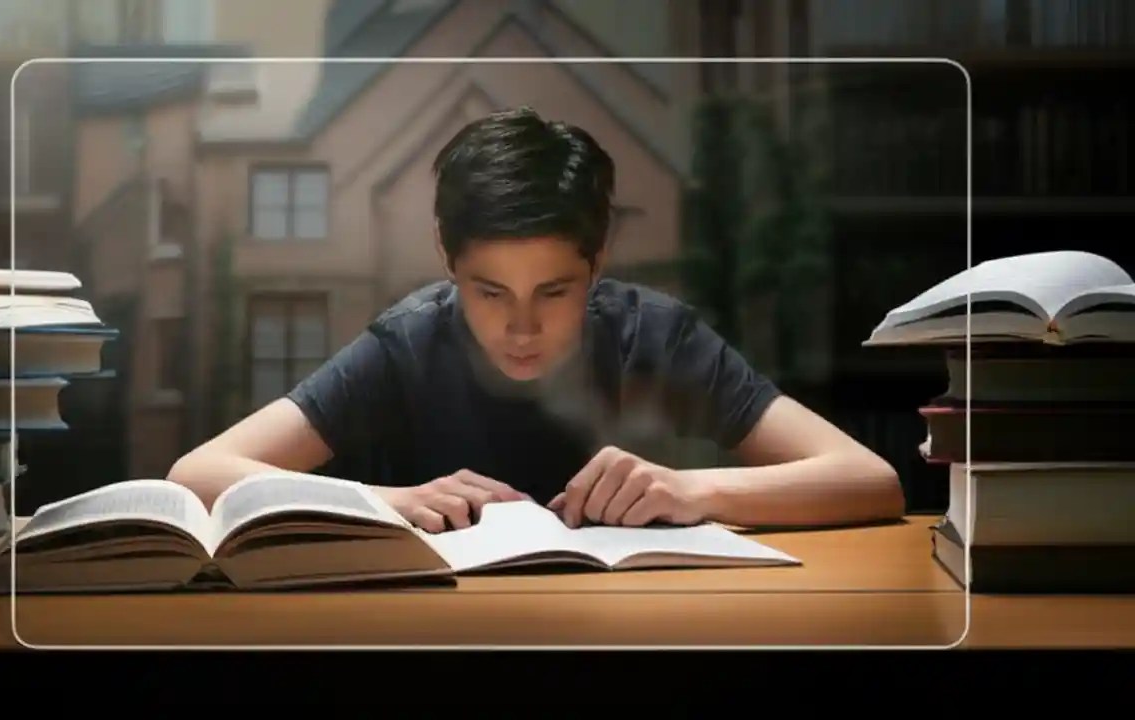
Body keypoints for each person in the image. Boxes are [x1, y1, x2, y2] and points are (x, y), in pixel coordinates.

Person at [167, 106, 904, 533]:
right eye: (489, 293)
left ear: (598, 259)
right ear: (446, 260)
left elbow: (869, 479)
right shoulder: (411, 342)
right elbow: (197, 474)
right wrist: (388, 502)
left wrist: (695, 490)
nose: (522, 328)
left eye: (554, 293)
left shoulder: (652, 334)